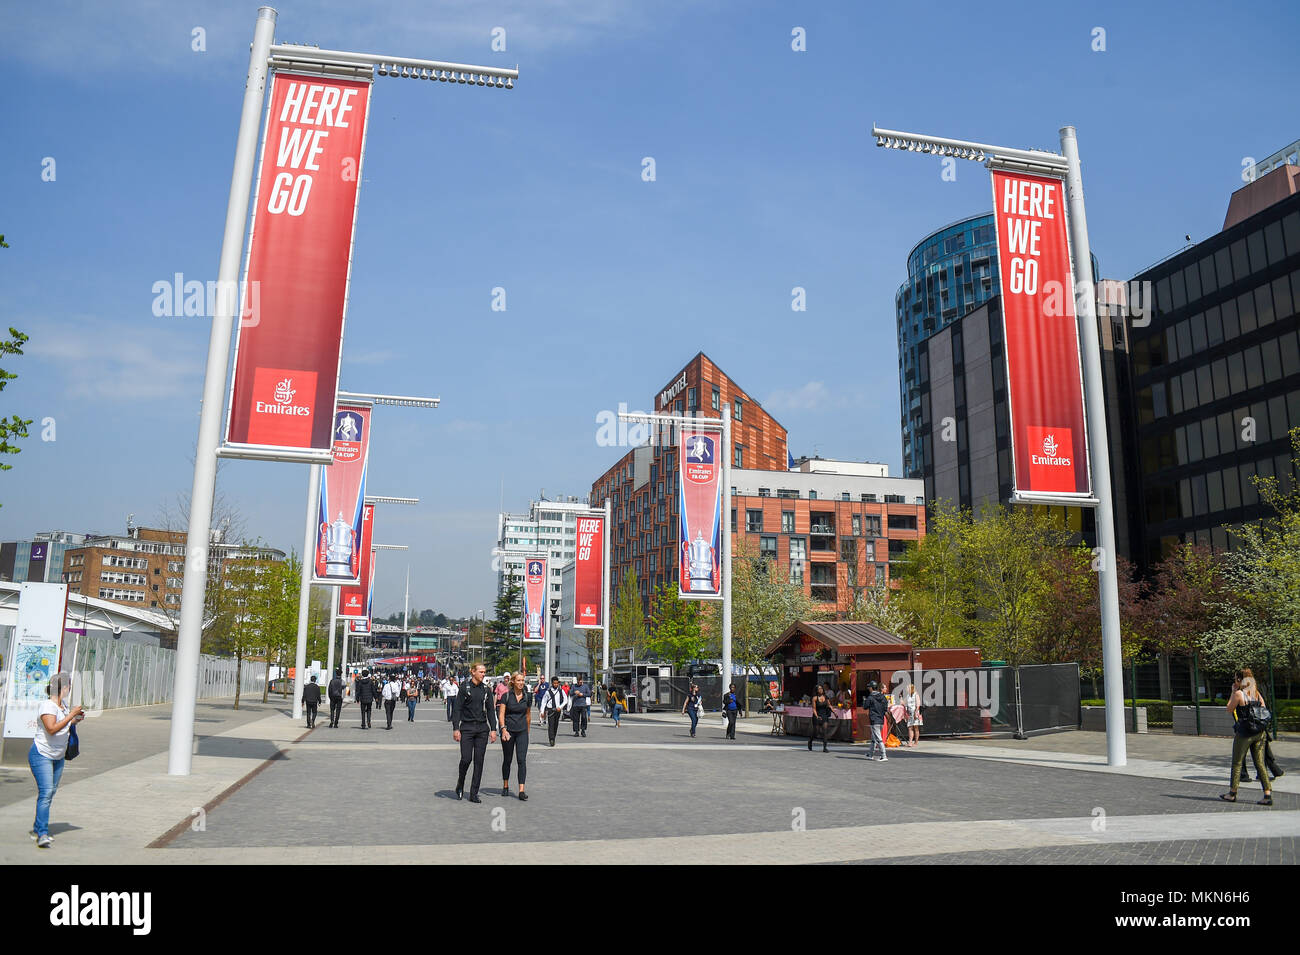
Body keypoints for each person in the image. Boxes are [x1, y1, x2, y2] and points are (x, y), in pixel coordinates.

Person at [28, 672, 83, 848]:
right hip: (42, 754)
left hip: (58, 756)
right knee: (45, 793)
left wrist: (75, 719)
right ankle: (42, 834)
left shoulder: (62, 705)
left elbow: (64, 724)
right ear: (63, 688)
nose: (69, 690)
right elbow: (51, 729)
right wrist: (70, 715)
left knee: (50, 792)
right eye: (68, 687)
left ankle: (38, 827)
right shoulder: (47, 706)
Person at [1222, 673, 1273, 805]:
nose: (1234, 681)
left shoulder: (1239, 694)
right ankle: (1267, 794)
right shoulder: (1256, 693)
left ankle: (1232, 793)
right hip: (1259, 733)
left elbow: (1229, 708)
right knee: (1260, 763)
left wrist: (1233, 692)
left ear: (1239, 680)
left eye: (1235, 679)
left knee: (1237, 762)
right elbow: (1263, 708)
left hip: (1244, 733)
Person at [452, 662, 498, 802]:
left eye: (484, 672)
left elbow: (491, 710)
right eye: (481, 672)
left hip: (482, 729)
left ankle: (473, 793)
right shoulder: (465, 688)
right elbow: (457, 709)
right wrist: (456, 728)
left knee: (479, 761)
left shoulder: (486, 689)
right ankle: (460, 784)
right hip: (466, 728)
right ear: (473, 672)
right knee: (466, 759)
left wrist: (494, 729)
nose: (483, 674)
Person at [498, 670, 532, 801]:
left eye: (523, 680)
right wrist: (503, 729)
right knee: (507, 759)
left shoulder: (527, 696)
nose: (521, 683)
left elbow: (528, 715)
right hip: (509, 732)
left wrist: (527, 731)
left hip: (522, 731)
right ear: (513, 681)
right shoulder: (506, 696)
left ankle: (521, 790)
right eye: (518, 680)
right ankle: (505, 785)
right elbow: (501, 714)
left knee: (521, 760)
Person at [540, 676, 570, 747]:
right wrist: (542, 711)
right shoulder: (548, 692)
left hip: (558, 710)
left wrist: (560, 707)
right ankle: (551, 739)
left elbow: (565, 700)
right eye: (554, 683)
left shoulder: (560, 691)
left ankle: (554, 736)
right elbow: (544, 702)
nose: (556, 685)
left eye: (557, 683)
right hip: (550, 710)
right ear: (552, 683)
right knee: (551, 725)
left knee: (556, 725)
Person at [864, 681, 889, 761]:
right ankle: (870, 754)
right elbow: (885, 708)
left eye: (869, 687)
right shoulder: (882, 696)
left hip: (874, 720)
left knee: (878, 738)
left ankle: (883, 755)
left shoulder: (870, 697)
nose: (868, 688)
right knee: (873, 738)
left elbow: (865, 707)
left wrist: (865, 700)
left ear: (871, 688)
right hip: (881, 719)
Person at [809, 684, 832, 753]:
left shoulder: (826, 697)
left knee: (825, 731)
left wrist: (834, 712)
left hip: (824, 715)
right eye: (819, 689)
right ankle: (810, 741)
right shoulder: (814, 698)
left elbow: (829, 705)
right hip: (817, 715)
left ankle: (825, 747)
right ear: (816, 690)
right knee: (816, 731)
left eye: (821, 688)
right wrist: (817, 716)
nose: (821, 690)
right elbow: (814, 709)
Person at [903, 683, 922, 747]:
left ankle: (916, 742)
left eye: (908, 688)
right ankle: (910, 742)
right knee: (910, 728)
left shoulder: (916, 694)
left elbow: (918, 704)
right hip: (910, 713)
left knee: (916, 728)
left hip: (915, 713)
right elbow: (904, 703)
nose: (906, 689)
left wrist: (916, 713)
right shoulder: (908, 695)